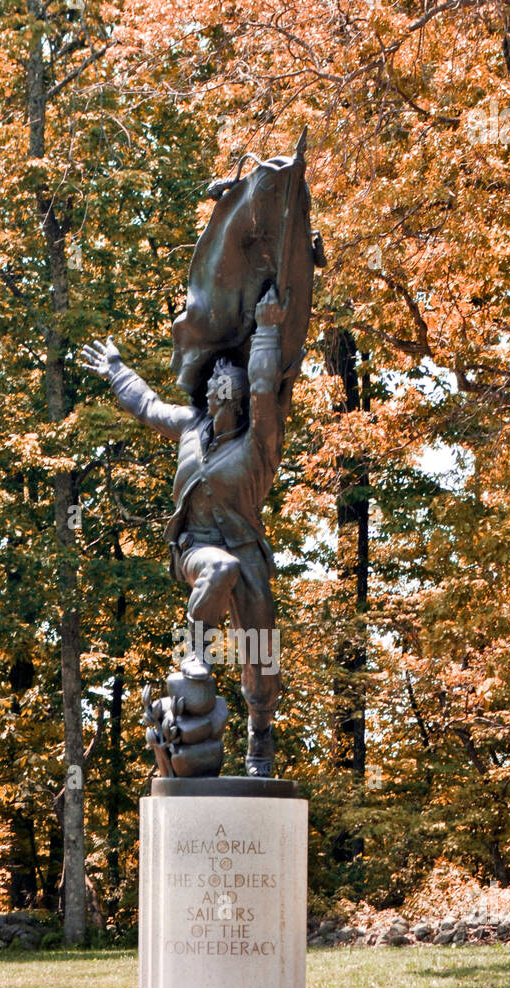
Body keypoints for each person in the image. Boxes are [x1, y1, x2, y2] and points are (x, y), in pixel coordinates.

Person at [82, 288, 287, 777]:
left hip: (247, 550)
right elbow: (148, 406)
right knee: (220, 568)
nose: (214, 379)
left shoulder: (260, 441)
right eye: (215, 377)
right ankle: (197, 651)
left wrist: (268, 329)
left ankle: (260, 735)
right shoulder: (192, 427)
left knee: (263, 662)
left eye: (222, 378)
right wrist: (116, 370)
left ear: (232, 395)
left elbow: (263, 385)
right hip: (195, 548)